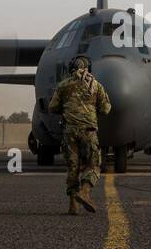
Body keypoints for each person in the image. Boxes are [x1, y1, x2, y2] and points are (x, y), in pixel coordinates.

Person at [47, 54, 112, 215]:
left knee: (73, 168)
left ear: (72, 68)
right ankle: (85, 192)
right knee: (94, 165)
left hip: (69, 132)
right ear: (88, 67)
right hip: (88, 131)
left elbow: (52, 107)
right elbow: (105, 109)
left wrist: (67, 108)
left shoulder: (63, 85)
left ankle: (73, 205)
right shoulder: (96, 85)